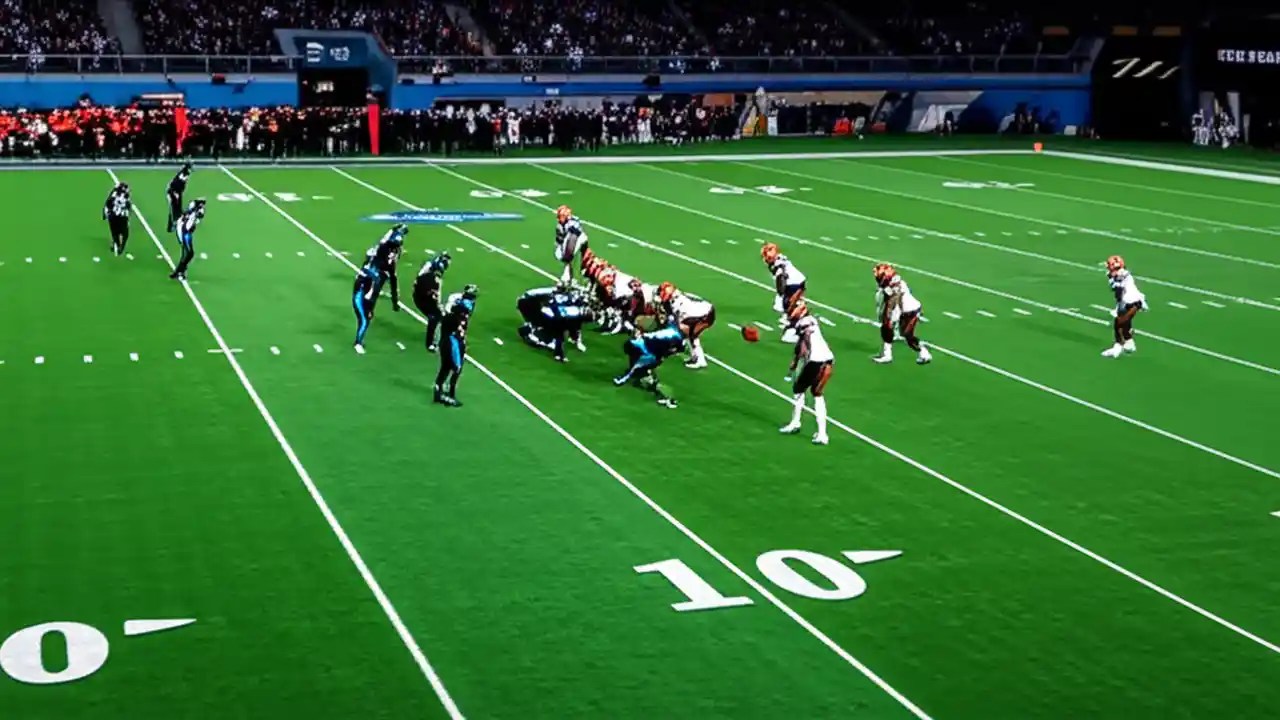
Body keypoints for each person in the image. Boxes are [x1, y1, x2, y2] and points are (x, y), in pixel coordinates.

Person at [780, 301, 834, 445]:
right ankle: (822, 434)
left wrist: (795, 362)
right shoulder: (812, 321)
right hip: (828, 359)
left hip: (815, 360)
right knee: (817, 394)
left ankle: (795, 422)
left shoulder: (801, 324)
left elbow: (802, 346)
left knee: (798, 390)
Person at [352, 224, 407, 352]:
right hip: (362, 288)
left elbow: (391, 279)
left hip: (369, 287)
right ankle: (358, 343)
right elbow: (370, 277)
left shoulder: (384, 258)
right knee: (365, 318)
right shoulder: (376, 262)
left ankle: (359, 339)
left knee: (368, 315)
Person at [614, 323, 685, 408]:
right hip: (649, 359)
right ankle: (647, 383)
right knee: (645, 374)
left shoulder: (645, 339)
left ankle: (668, 399)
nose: (635, 333)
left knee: (642, 373)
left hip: (650, 359)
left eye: (636, 332)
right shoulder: (637, 341)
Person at [872, 264, 931, 365]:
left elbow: (893, 303)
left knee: (897, 331)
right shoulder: (897, 283)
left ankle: (923, 352)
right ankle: (888, 354)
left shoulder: (892, 290)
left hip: (908, 311)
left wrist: (890, 317)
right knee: (897, 331)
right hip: (910, 308)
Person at [517, 284, 592, 362]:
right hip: (532, 306)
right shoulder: (559, 298)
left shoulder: (563, 298)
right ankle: (530, 331)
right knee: (550, 338)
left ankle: (532, 329)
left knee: (554, 332)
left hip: (542, 309)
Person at [435, 285, 477, 407]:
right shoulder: (453, 319)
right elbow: (454, 334)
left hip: (449, 341)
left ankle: (442, 392)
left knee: (447, 368)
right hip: (451, 343)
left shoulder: (453, 314)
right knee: (453, 367)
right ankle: (447, 393)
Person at [1101, 255, 1147, 358]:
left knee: (1120, 322)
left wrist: (1119, 306)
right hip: (1127, 302)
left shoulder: (1121, 275)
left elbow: (1119, 292)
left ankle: (1118, 348)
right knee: (1123, 324)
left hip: (1133, 302)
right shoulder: (1115, 274)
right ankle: (1129, 344)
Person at [413, 252, 450, 352]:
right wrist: (437, 303)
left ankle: (441, 336)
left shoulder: (432, 275)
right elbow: (418, 284)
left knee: (438, 315)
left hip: (424, 295)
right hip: (421, 297)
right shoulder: (430, 276)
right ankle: (429, 343)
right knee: (434, 317)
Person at [169, 198, 206, 281]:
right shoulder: (194, 213)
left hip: (184, 231)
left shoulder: (191, 212)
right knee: (189, 253)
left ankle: (179, 272)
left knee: (186, 253)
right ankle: (178, 272)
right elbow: (198, 215)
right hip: (185, 232)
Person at [102, 181, 131, 256]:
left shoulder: (114, 195)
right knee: (125, 233)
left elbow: (108, 204)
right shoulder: (125, 196)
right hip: (122, 217)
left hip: (113, 217)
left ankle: (117, 245)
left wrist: (105, 214)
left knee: (115, 233)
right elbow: (128, 207)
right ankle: (120, 247)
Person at [166, 162, 193, 233]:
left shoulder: (184, 173)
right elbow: (175, 184)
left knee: (179, 209)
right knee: (173, 210)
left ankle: (178, 223)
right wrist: (175, 193)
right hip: (173, 192)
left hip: (177, 192)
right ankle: (170, 226)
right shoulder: (183, 174)